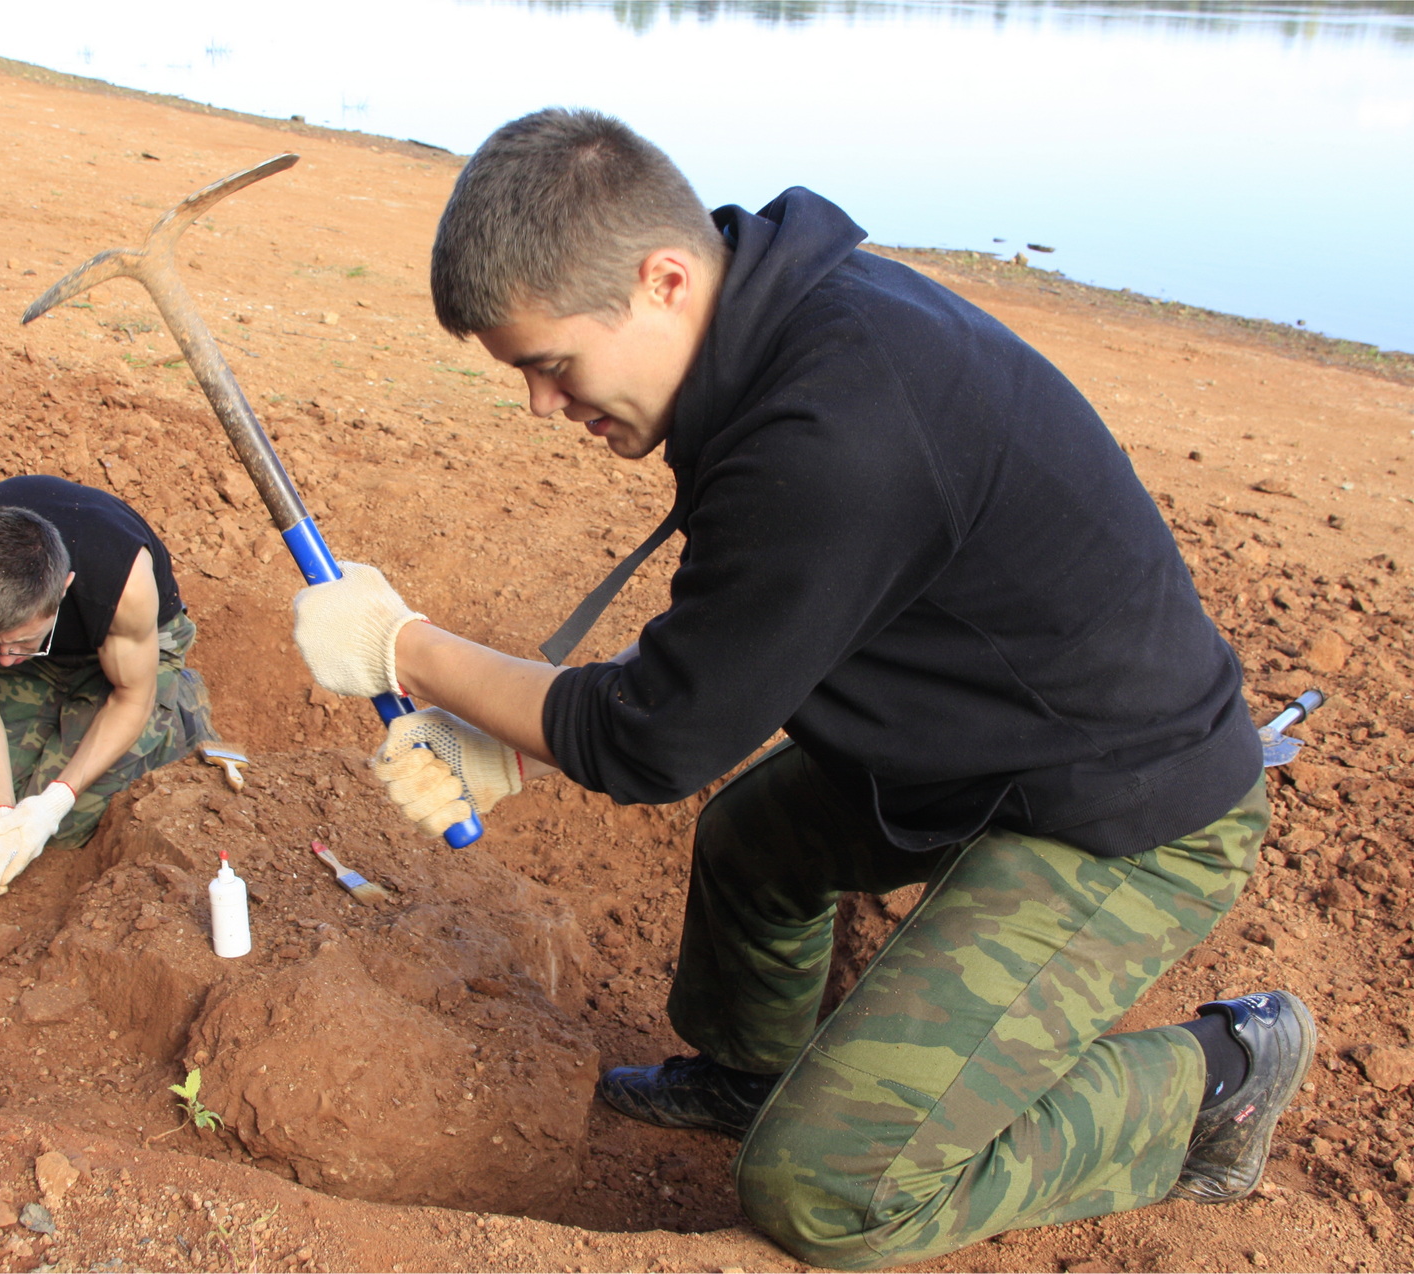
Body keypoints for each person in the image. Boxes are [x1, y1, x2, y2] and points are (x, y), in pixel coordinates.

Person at [288, 109, 1315, 1268]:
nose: (540, 402)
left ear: (664, 279)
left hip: (1124, 811)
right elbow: (740, 650)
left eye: (551, 364)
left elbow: (656, 741)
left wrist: (405, 648)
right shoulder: (784, 332)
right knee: (753, 839)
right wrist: (521, 746)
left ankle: (1220, 1073)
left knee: (826, 1190)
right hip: (981, 742)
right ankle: (753, 1079)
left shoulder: (835, 427)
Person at [0, 475, 221, 902]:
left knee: (65, 829)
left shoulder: (121, 581)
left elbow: (130, 697)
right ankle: (43, 678)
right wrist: (2, 814)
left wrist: (52, 807)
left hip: (129, 656)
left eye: (21, 642)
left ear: (65, 587)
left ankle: (179, 703)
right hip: (55, 644)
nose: (3, 661)